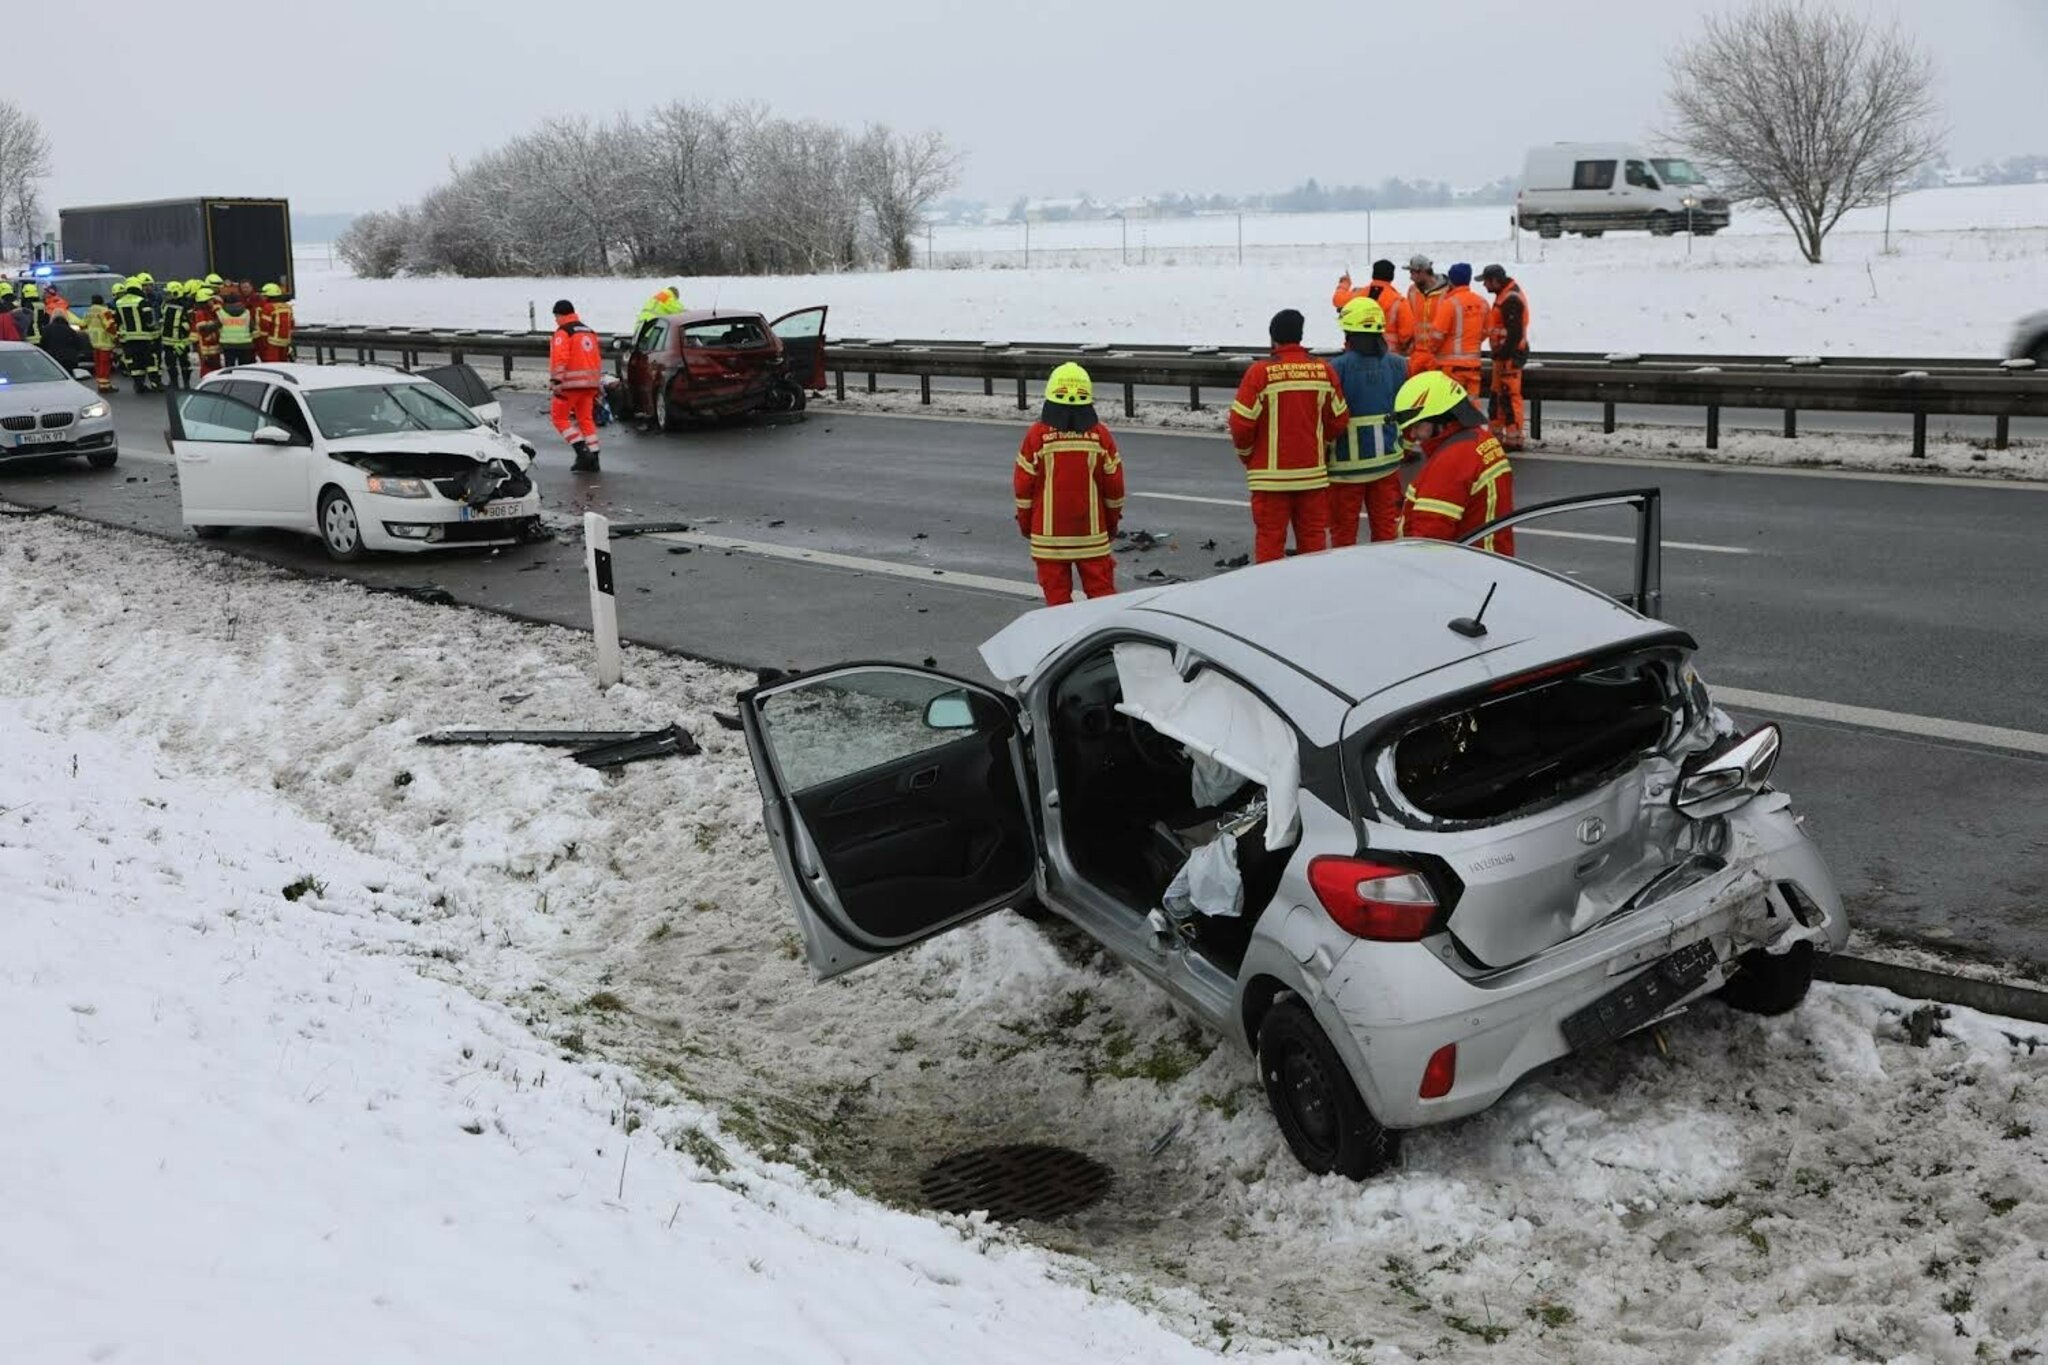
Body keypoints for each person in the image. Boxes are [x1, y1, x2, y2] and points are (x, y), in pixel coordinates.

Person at [1227, 309, 1348, 563]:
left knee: (1270, 544)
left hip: (1270, 480)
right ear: (1300, 336)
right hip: (1312, 476)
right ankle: (1313, 597)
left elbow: (1241, 424)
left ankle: (1272, 599)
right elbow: (1338, 419)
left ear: (1273, 339)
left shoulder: (1260, 373)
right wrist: (1321, 445)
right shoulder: (1322, 370)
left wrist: (1248, 455)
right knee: (1314, 544)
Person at [1014, 362, 1125, 605]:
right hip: (1092, 538)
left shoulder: (1036, 436)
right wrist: (1111, 524)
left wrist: (1026, 525)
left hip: (1048, 540)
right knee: (1102, 599)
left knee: (1057, 604)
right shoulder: (1100, 435)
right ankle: (1106, 642)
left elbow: (1023, 488)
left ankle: (1063, 641)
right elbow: (1114, 489)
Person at [1393, 372, 1515, 555]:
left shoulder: (1451, 461)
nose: (1413, 435)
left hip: (1463, 573)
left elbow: (1427, 542)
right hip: (1490, 563)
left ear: (1439, 418)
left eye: (1417, 426)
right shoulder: (1482, 439)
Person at [1326, 297, 1409, 546]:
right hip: (1387, 464)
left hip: (1345, 469)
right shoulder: (1399, 365)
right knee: (1386, 533)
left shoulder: (1335, 368)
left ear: (1349, 330)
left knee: (1343, 537)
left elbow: (1329, 417)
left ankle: (1347, 583)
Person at [548, 298, 606, 472]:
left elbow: (561, 358)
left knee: (559, 418)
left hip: (570, 384)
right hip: (590, 384)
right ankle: (594, 457)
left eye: (556, 316)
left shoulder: (563, 332)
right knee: (585, 420)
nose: (556, 320)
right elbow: (597, 357)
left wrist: (556, 380)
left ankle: (582, 453)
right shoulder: (589, 331)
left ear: (560, 315)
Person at [1480, 264, 1530, 450]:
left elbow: (1514, 333)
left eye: (1486, 281)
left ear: (1495, 280)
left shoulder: (1510, 299)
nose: (1484, 285)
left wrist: (1503, 354)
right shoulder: (1506, 295)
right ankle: (1498, 435)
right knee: (1499, 395)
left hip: (1509, 356)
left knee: (1509, 396)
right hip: (1503, 356)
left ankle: (1514, 438)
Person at [1432, 263, 1490, 400]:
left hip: (1451, 368)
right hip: (1474, 367)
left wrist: (1434, 352)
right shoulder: (1482, 302)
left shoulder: (1449, 304)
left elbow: (1436, 336)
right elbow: (1487, 330)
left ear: (1451, 281)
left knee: (1450, 409)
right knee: (1471, 410)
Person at [1330, 259, 1412, 356]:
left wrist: (1344, 284)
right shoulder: (1399, 302)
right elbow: (1407, 334)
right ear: (1392, 277)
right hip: (1389, 356)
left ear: (1373, 274)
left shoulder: (1358, 295)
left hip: (1358, 353)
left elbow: (1337, 300)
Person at [114, 281, 163, 393]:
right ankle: (155, 384)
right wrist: (155, 327)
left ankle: (139, 385)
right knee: (151, 361)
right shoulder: (142, 301)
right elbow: (149, 321)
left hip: (130, 339)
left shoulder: (119, 303)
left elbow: (117, 320)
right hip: (145, 338)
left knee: (136, 363)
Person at [158, 282, 193, 388]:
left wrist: (184, 333)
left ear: (176, 293)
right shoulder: (165, 304)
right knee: (170, 364)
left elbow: (190, 323)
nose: (167, 295)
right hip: (168, 340)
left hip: (181, 340)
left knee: (184, 363)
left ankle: (186, 383)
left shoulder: (186, 305)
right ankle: (174, 382)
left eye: (169, 293)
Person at [214, 288, 259, 368]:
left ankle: (231, 380)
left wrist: (204, 327)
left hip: (228, 345)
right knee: (244, 369)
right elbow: (252, 327)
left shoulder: (221, 313)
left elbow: (215, 326)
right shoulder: (246, 312)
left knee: (230, 368)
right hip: (245, 344)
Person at [84, 294, 120, 392]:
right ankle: (105, 386)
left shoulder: (89, 311)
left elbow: (83, 325)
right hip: (105, 341)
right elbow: (109, 326)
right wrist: (115, 337)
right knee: (105, 364)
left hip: (94, 342)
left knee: (98, 364)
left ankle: (101, 384)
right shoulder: (105, 311)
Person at [256, 282, 294, 363]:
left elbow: (265, 326)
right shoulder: (287, 306)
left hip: (272, 343)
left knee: (272, 365)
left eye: (263, 295)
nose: (262, 297)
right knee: (282, 364)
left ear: (268, 296)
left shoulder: (268, 307)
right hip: (285, 342)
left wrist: (263, 342)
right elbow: (292, 323)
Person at [190, 288, 224, 377]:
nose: (213, 301)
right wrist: (217, 323)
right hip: (206, 348)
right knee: (207, 369)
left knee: (216, 368)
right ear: (205, 301)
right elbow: (203, 328)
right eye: (211, 300)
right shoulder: (200, 313)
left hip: (213, 346)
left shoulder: (211, 310)